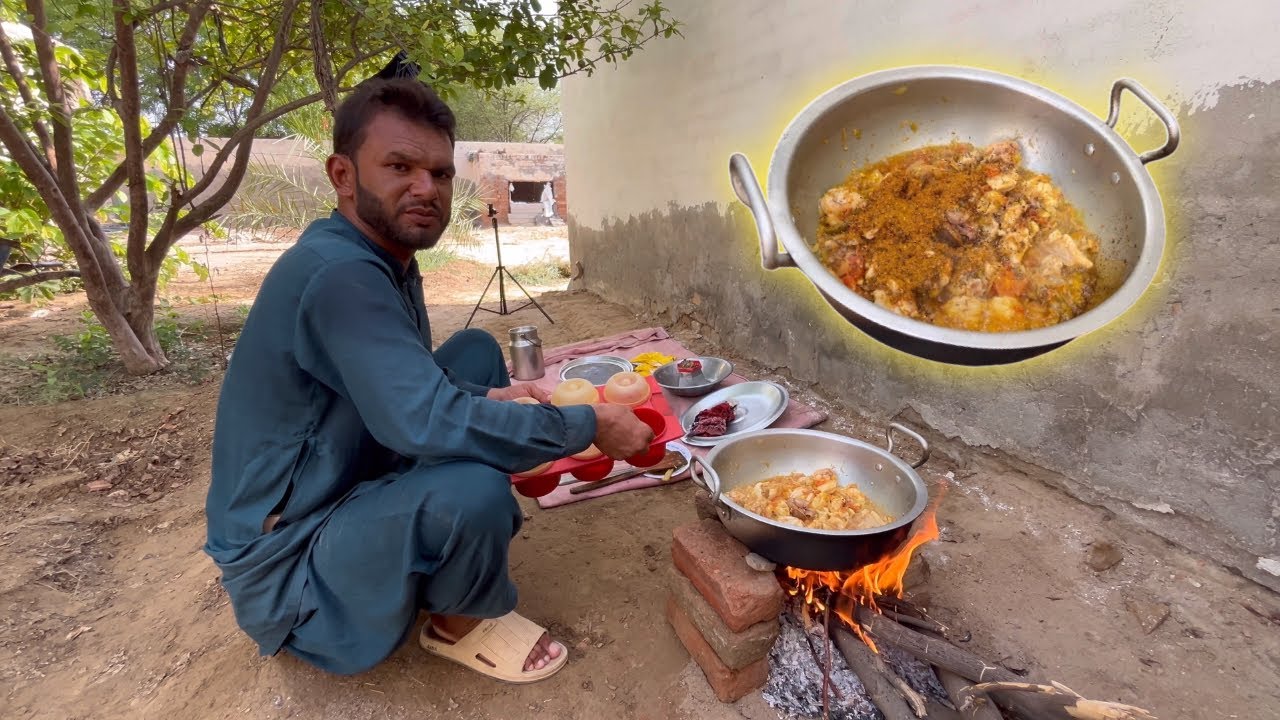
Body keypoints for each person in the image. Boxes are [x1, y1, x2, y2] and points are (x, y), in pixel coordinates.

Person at [203, 76, 655, 683]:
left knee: (471, 354)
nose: (426, 188)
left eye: (440, 173)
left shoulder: (382, 256)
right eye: (399, 166)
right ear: (342, 175)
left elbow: (405, 394)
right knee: (474, 492)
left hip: (342, 473)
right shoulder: (341, 276)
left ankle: (428, 537)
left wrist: (486, 398)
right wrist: (586, 424)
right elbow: (423, 419)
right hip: (292, 565)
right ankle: (457, 623)